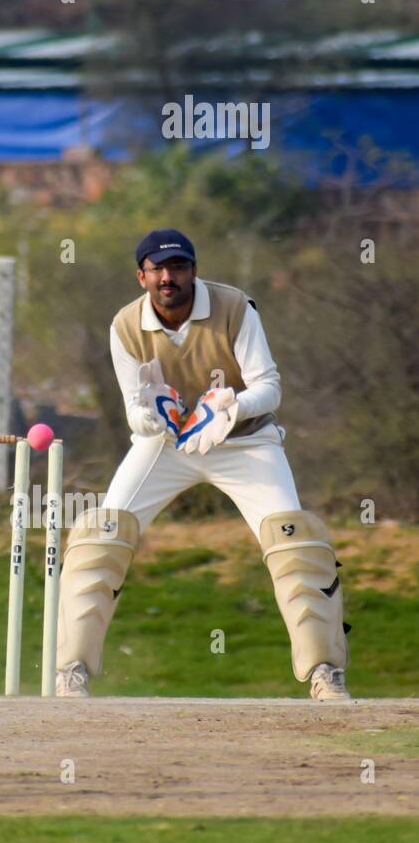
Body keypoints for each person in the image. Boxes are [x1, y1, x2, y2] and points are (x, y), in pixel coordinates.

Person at [55, 228, 350, 702]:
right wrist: (154, 417)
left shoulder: (235, 308)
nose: (169, 278)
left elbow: (269, 387)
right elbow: (134, 407)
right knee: (101, 534)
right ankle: (71, 669)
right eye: (158, 270)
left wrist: (226, 408)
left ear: (194, 270)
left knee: (293, 541)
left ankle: (324, 671)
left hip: (245, 442)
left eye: (179, 267)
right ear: (141, 276)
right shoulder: (125, 326)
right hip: (167, 445)